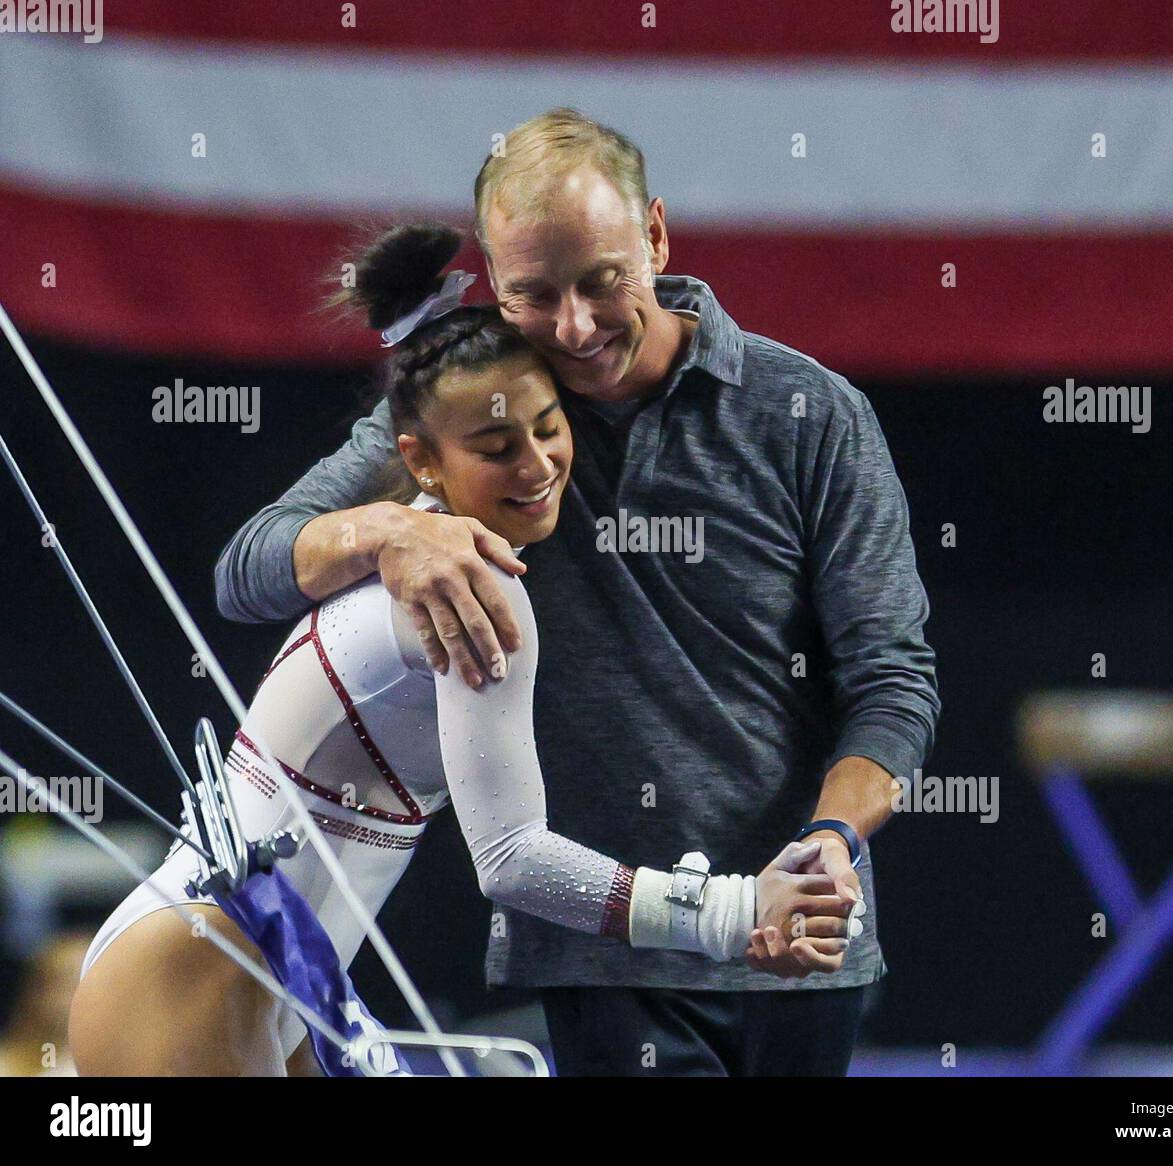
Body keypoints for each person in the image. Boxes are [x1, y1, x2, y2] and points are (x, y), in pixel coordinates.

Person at [216, 109, 941, 1077]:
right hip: (603, 956)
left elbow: (892, 679)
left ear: (655, 235)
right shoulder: (470, 407)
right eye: (535, 295)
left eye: (601, 281)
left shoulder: (809, 412)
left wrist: (830, 838)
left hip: (800, 942)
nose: (575, 326)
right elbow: (247, 567)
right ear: (495, 281)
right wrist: (393, 529)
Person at [69, 224, 855, 1078]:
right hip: (202, 965)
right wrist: (734, 913)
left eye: (548, 428)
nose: (536, 466)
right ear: (420, 460)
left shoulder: (419, 543)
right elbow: (513, 860)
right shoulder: (466, 580)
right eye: (495, 448)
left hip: (277, 973)